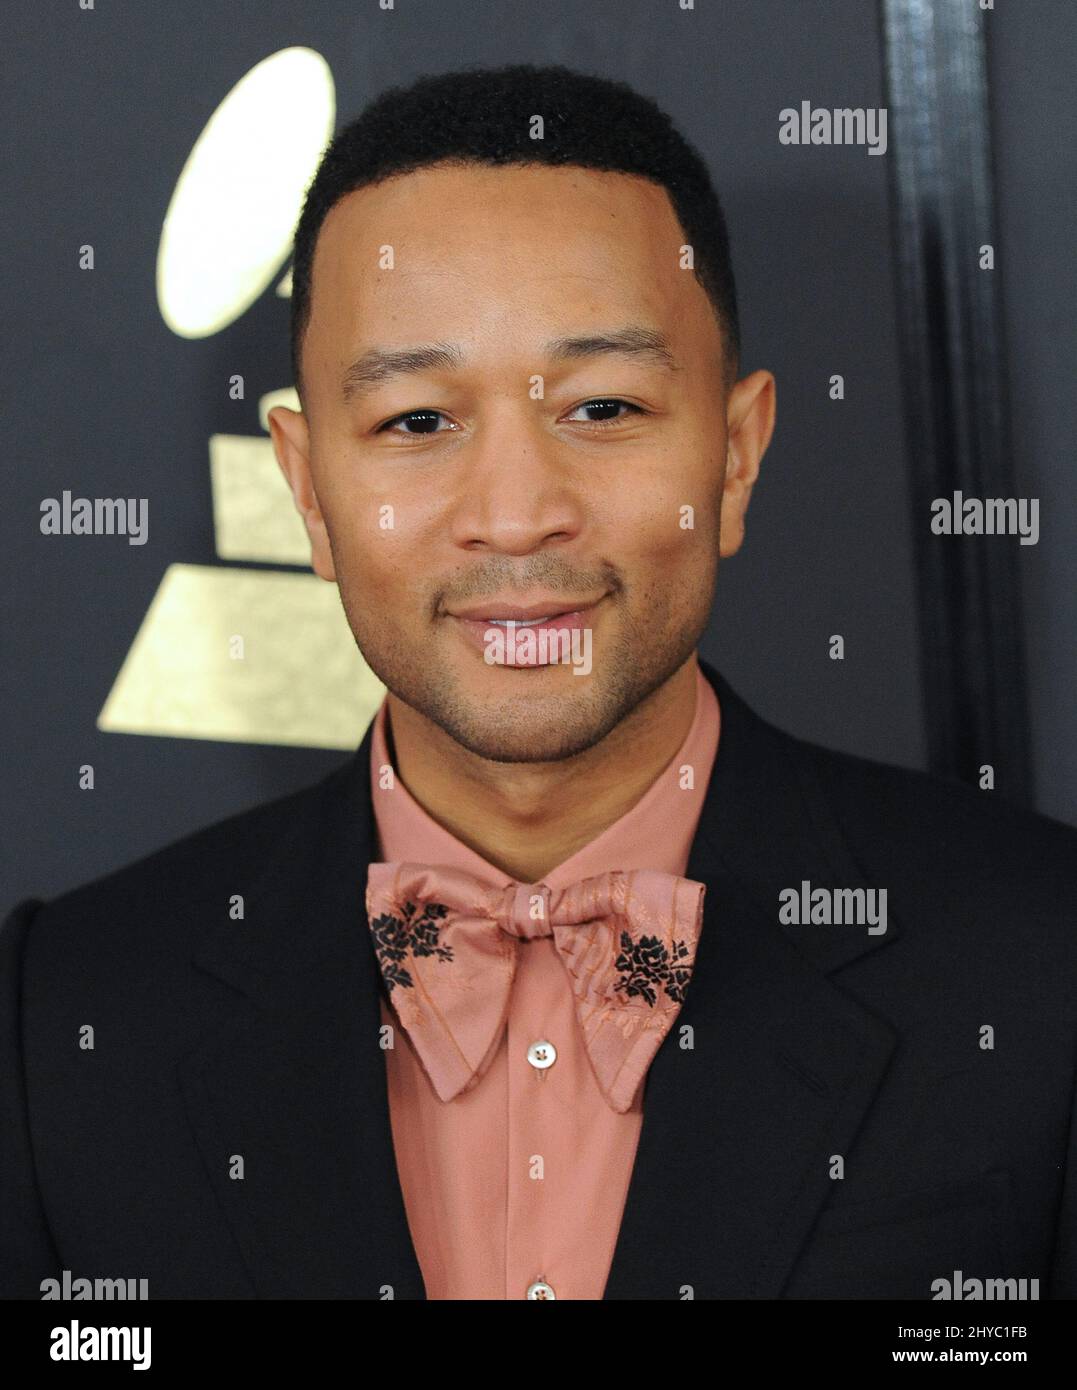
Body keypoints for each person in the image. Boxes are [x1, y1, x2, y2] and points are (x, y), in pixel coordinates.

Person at [3, 63, 1076, 1302]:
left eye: (603, 405)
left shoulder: (1035, 963)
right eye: (417, 421)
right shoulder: (70, 1020)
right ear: (306, 487)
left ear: (735, 456)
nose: (516, 518)